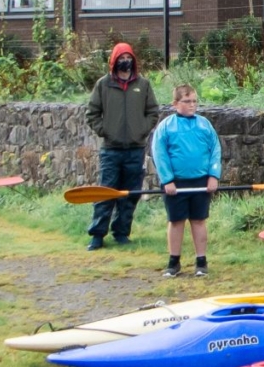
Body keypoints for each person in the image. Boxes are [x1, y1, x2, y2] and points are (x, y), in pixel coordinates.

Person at [83, 41, 159, 251]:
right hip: (111, 150)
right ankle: (97, 234)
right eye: (121, 58)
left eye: (128, 58)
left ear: (133, 61)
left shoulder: (143, 85)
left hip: (135, 149)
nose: (125, 62)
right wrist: (105, 130)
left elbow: (153, 111)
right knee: (105, 193)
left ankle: (122, 232)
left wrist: (141, 130)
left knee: (130, 194)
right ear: (114, 61)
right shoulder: (103, 84)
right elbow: (92, 113)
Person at [151, 83, 222, 279]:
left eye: (194, 101)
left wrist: (213, 176)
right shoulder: (166, 126)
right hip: (176, 183)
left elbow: (215, 150)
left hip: (200, 181)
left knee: (198, 220)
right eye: (187, 101)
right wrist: (168, 180)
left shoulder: (204, 124)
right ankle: (174, 262)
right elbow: (160, 154)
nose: (192, 105)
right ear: (175, 103)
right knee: (176, 221)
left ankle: (201, 261)